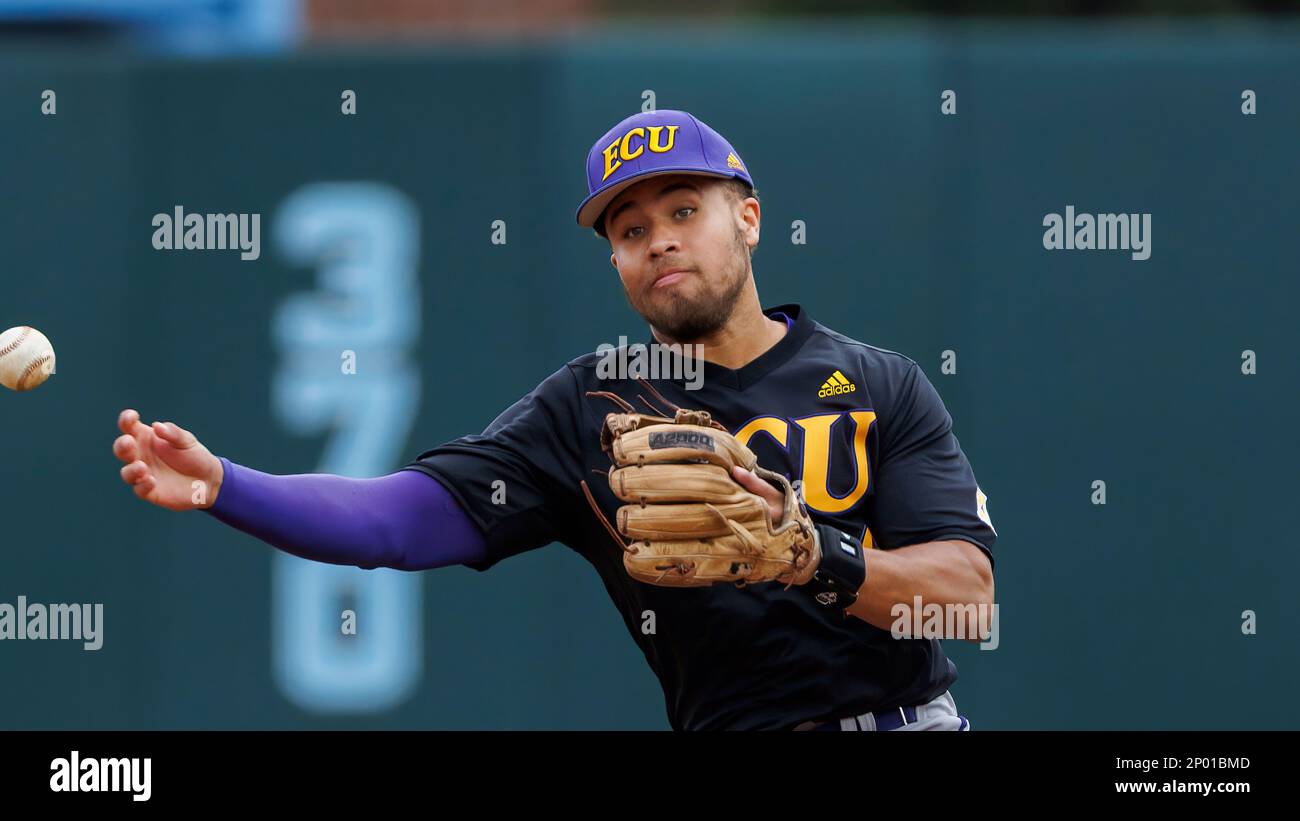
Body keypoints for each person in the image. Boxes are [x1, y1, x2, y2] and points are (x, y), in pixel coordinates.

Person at [113, 109, 996, 731]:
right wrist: (229, 485)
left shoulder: (879, 382)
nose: (659, 240)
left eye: (684, 209)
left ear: (749, 217)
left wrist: (808, 553)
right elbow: (399, 520)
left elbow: (966, 601)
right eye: (629, 227)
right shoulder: (591, 409)